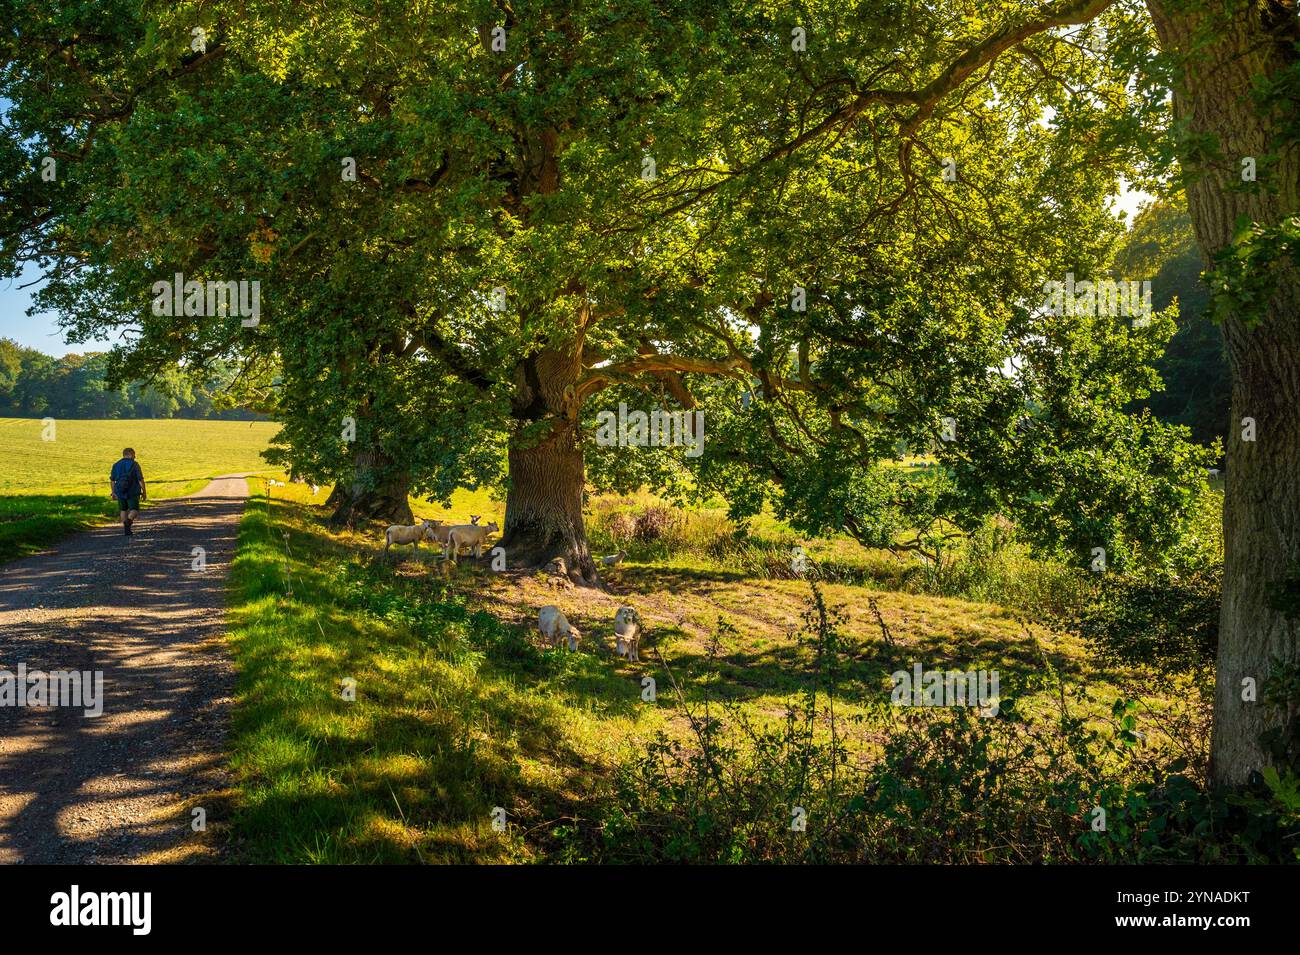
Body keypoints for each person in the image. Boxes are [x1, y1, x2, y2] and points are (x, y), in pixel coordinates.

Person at [109, 447, 147, 536]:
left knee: (123, 510)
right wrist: (144, 491)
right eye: (134, 454)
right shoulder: (135, 464)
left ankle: (126, 529)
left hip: (120, 491)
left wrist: (113, 492)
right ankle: (128, 522)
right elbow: (140, 479)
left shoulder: (116, 465)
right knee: (134, 510)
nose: (135, 456)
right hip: (133, 491)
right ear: (130, 454)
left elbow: (112, 480)